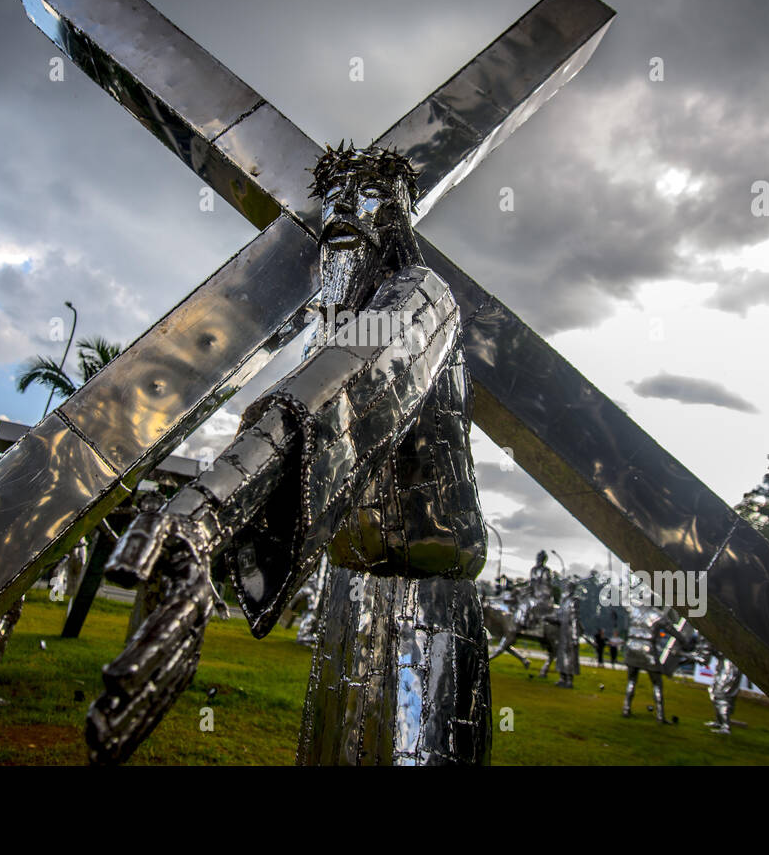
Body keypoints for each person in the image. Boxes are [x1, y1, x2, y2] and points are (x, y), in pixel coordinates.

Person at [89, 142, 492, 766]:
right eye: (334, 209)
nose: (345, 215)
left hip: (430, 613)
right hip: (345, 602)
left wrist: (202, 515)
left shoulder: (422, 299)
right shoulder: (336, 329)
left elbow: (340, 386)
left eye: (366, 198)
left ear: (399, 215)